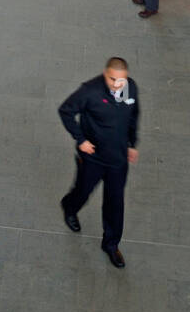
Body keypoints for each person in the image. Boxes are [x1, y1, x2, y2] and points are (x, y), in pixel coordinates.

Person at [58, 57, 139, 269]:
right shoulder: (89, 92)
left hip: (118, 160)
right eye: (112, 79)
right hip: (93, 157)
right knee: (83, 191)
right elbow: (65, 111)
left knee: (115, 203)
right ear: (105, 74)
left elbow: (133, 117)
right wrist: (81, 139)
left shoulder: (130, 89)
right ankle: (69, 207)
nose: (117, 84)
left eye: (121, 80)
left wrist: (131, 143)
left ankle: (111, 245)